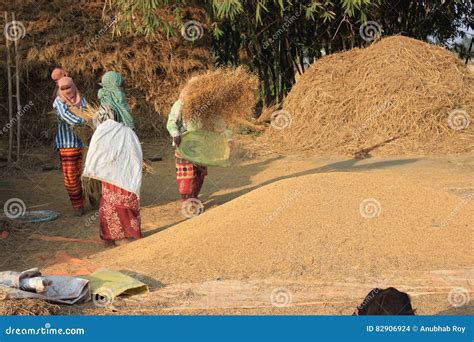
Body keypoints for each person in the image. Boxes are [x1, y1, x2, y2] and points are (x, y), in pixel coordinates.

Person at [83, 109, 142, 247]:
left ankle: (111, 237)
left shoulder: (104, 132)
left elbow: (96, 154)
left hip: (112, 176)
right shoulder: (126, 132)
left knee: (113, 202)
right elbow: (134, 156)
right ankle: (118, 237)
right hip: (119, 176)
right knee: (118, 202)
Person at [166, 80, 208, 211]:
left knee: (199, 174)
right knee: (187, 174)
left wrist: (227, 136)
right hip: (184, 143)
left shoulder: (205, 103)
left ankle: (194, 197)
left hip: (201, 144)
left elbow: (217, 120)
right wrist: (175, 134)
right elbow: (171, 121)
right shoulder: (181, 104)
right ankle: (188, 202)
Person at [53, 77, 87, 216]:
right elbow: (68, 117)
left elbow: (87, 110)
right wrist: (85, 120)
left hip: (83, 143)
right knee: (70, 177)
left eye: (69, 87)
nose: (67, 91)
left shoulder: (81, 99)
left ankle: (88, 200)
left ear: (74, 86)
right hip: (67, 145)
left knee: (85, 174)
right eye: (63, 88)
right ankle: (78, 205)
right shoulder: (59, 102)